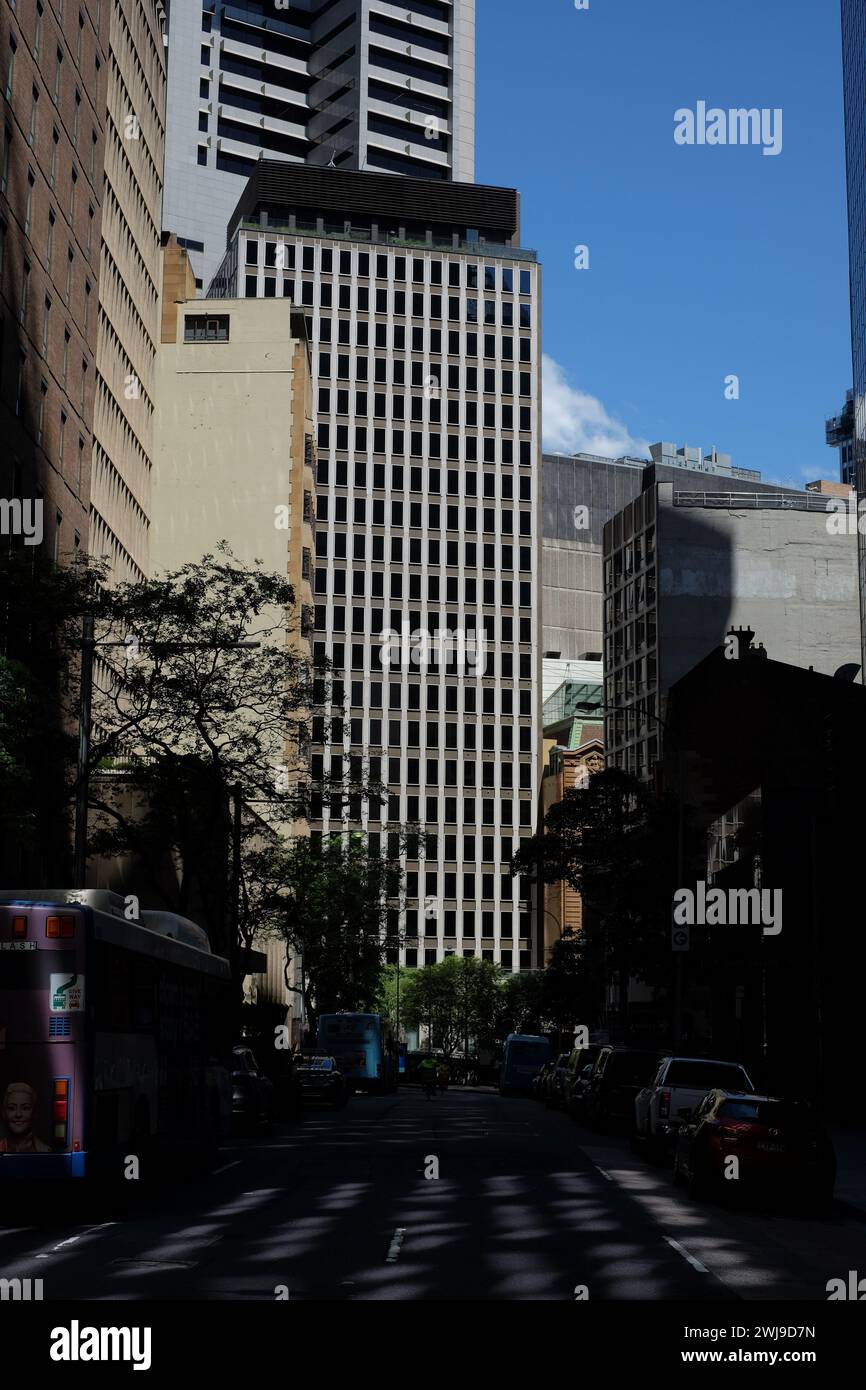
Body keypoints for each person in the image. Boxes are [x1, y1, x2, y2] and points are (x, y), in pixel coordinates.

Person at [0, 1082, 52, 1153]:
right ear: (4, 1113)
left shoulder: (45, 1151)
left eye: (25, 1108)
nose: (18, 1114)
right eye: (12, 1108)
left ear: (34, 1113)